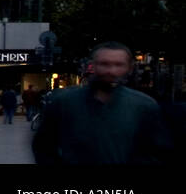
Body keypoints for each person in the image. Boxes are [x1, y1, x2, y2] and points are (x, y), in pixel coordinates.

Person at [32, 42, 172, 164]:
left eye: (118, 65)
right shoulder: (64, 103)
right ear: (92, 66)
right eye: (104, 64)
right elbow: (43, 147)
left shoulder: (144, 105)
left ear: (129, 68)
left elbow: (157, 151)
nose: (111, 71)